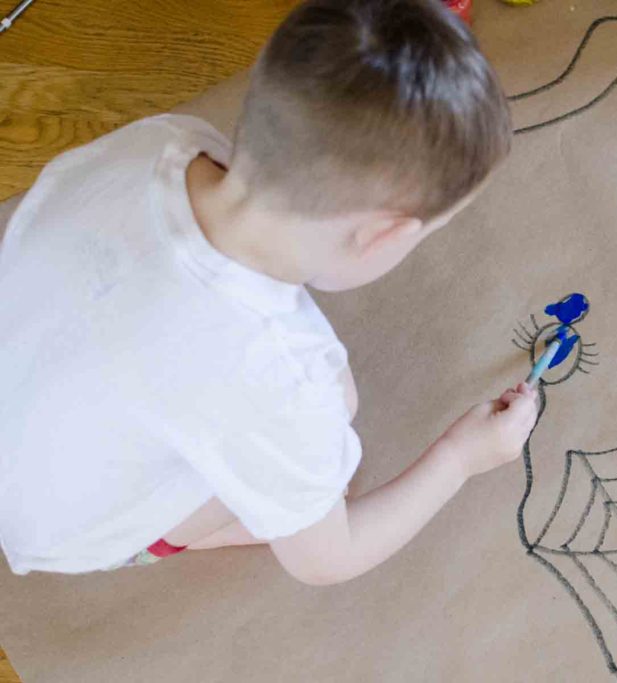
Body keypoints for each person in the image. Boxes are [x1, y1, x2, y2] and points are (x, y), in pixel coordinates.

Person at [0, 0, 538, 585]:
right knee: (330, 425)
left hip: (35, 361)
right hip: (53, 524)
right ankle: (184, 535)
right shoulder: (282, 382)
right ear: (382, 235)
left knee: (331, 407)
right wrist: (460, 458)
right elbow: (332, 559)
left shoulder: (167, 142)